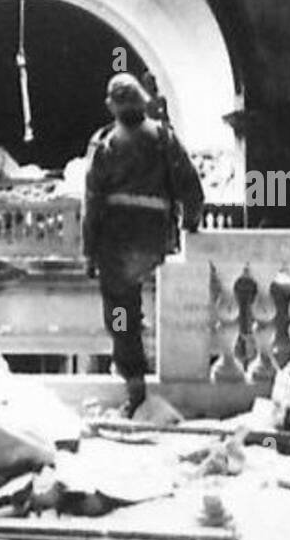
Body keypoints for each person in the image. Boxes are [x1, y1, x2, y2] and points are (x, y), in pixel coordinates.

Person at [82, 72, 203, 416]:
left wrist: (89, 252)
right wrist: (190, 225)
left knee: (121, 313)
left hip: (115, 244)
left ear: (112, 106)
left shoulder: (105, 143)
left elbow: (92, 202)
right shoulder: (164, 138)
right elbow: (190, 185)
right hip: (154, 240)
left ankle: (134, 385)